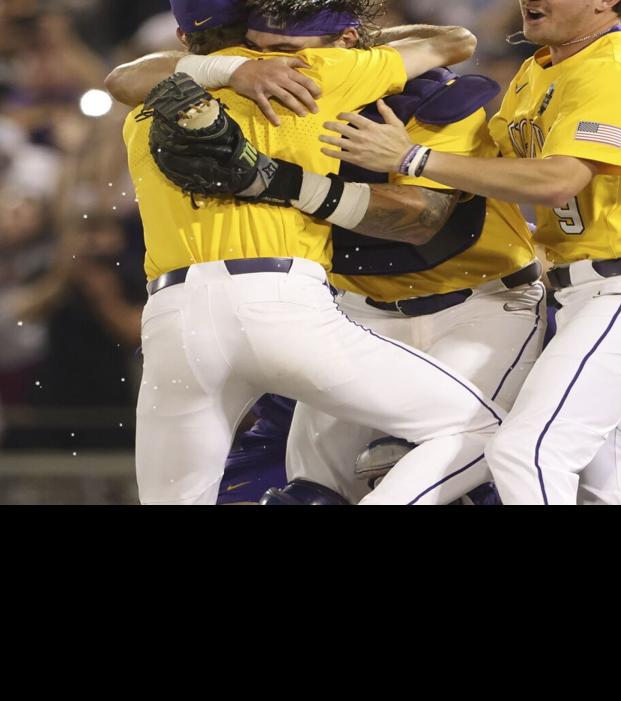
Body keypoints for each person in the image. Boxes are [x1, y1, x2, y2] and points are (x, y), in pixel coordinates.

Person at [319, 0, 621, 504]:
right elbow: (495, 170)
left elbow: (558, 181)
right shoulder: (541, 68)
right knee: (611, 492)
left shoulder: (618, 69)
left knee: (527, 451)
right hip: (596, 292)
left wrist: (411, 157)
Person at [112, 0, 504, 504]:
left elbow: (121, 77)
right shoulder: (314, 69)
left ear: (183, 38)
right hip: (281, 304)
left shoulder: (147, 103)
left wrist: (229, 68)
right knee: (480, 428)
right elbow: (454, 42)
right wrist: (348, 42)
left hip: (173, 320)